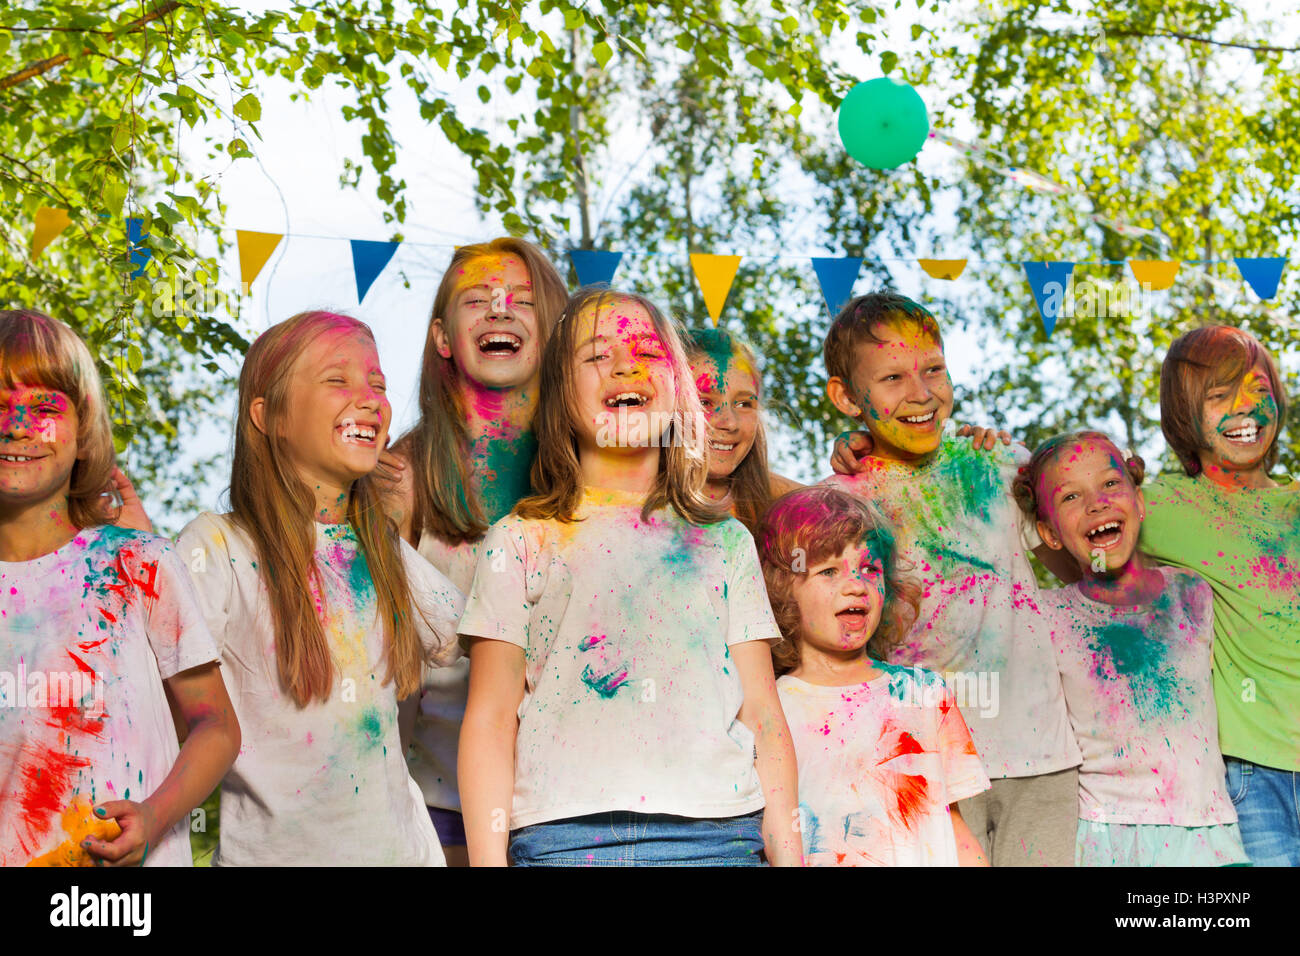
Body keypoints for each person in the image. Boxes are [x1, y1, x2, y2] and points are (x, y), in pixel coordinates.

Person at [458, 288, 801, 866]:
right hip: (562, 841)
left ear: (679, 389)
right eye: (598, 355)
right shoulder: (518, 541)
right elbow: (490, 721)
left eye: (647, 351)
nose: (625, 365)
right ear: (560, 394)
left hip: (718, 839)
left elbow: (763, 715)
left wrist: (791, 859)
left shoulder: (726, 542)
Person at [176, 311, 463, 865]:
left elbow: (475, 638)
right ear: (269, 416)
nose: (370, 399)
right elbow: (165, 696)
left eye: (378, 384)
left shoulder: (382, 549)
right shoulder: (217, 546)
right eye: (338, 379)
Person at [820, 291, 1081, 866]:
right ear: (846, 397)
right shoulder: (841, 505)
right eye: (892, 378)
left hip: (1039, 758)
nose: (921, 393)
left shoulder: (996, 464)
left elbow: (1082, 570)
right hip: (920, 765)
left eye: (933, 369)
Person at [1, 309, 239, 867]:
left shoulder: (139, 564)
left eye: (45, 408)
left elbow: (217, 726)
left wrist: (154, 816)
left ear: (84, 434)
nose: (17, 425)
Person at [382, 238, 567, 866]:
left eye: (522, 300)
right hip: (439, 807)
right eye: (477, 299)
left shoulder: (593, 468)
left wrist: (841, 474)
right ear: (442, 337)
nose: (499, 309)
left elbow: (725, 492)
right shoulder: (402, 477)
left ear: (554, 330)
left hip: (570, 809)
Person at [1014, 431, 1249, 865]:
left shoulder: (1192, 594)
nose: (1096, 503)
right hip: (1107, 838)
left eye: (1109, 483)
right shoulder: (1046, 617)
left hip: (1210, 832)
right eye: (1070, 496)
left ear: (1139, 502)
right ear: (1048, 533)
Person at [758, 485, 990, 866]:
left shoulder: (925, 694)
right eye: (829, 571)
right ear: (782, 591)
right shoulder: (771, 708)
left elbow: (953, 824)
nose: (856, 585)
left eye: (869, 569)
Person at [1140, 326, 1299, 865]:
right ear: (1186, 413)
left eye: (1258, 389)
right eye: (1219, 395)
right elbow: (1062, 520)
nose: (1244, 407)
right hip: (1251, 773)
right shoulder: (1164, 506)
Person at [683, 327, 800, 534]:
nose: (730, 423)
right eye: (704, 402)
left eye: (744, 404)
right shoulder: (628, 498)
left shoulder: (787, 504)